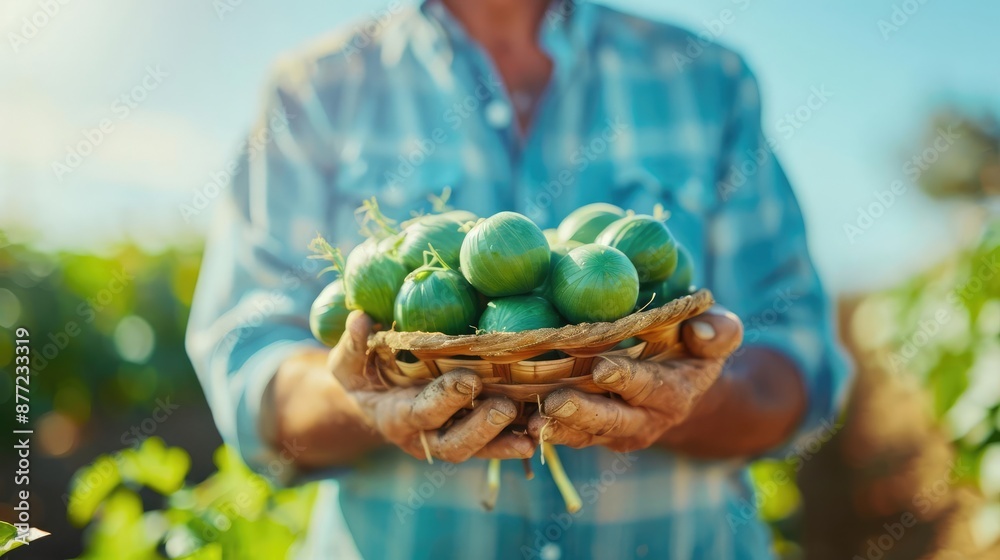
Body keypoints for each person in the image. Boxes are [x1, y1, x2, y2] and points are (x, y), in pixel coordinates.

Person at [186, 0, 850, 558]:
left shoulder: (708, 81)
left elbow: (796, 361)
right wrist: (366, 404)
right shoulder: (314, 90)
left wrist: (695, 398)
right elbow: (249, 363)